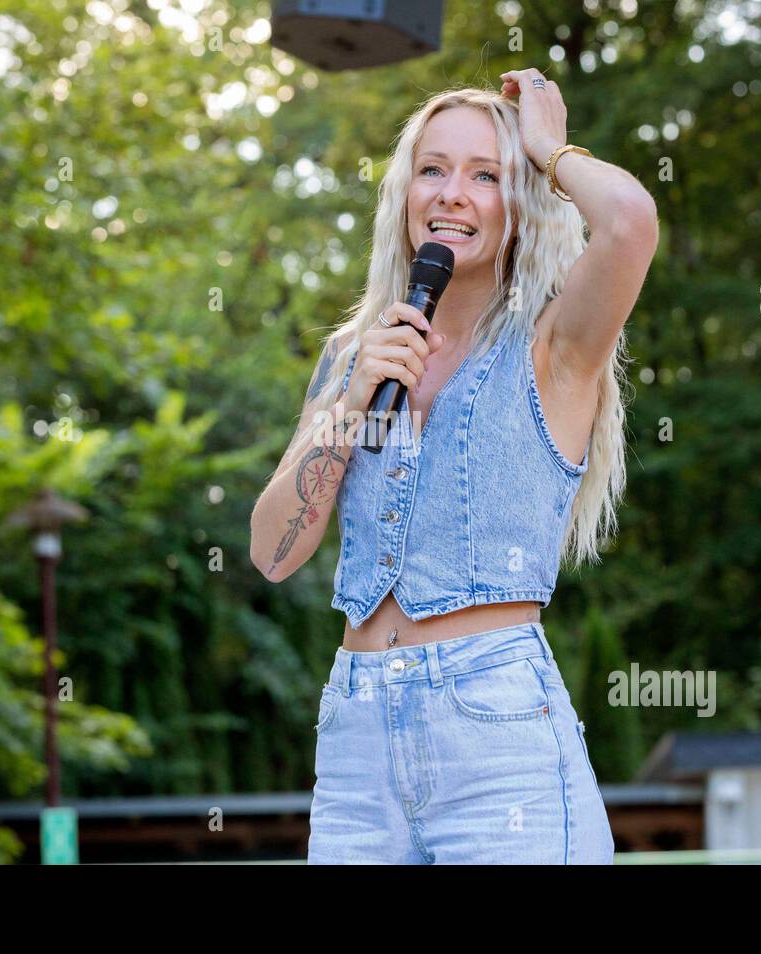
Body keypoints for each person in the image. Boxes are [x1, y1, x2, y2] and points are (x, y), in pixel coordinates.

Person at [250, 69, 659, 863]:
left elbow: (630, 222)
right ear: (405, 193)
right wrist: (348, 403)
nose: (451, 194)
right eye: (432, 170)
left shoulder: (557, 346)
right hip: (356, 739)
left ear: (521, 203)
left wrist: (547, 147)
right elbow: (272, 552)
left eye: (486, 176)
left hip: (500, 739)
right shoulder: (349, 354)